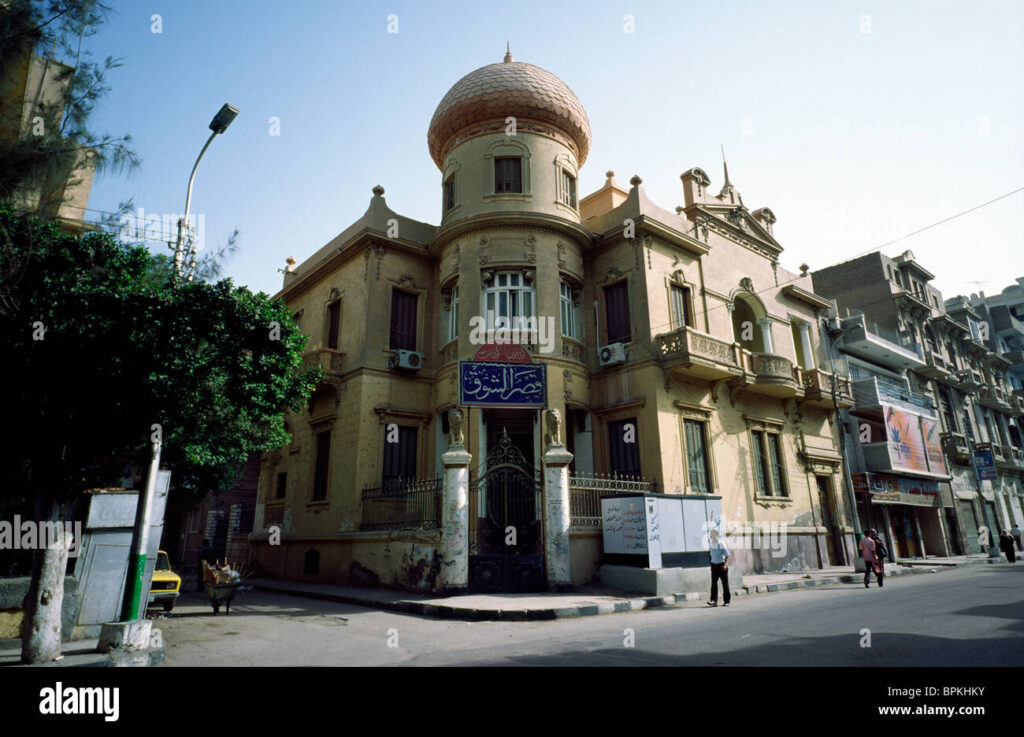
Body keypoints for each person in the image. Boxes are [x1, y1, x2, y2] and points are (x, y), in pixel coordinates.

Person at [707, 528, 731, 607]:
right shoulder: (711, 544)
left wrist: (725, 564)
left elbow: (727, 555)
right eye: (711, 534)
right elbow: (711, 555)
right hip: (714, 565)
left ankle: (726, 601)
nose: (711, 536)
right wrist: (711, 565)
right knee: (713, 584)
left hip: (721, 565)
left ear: (716, 535)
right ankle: (714, 600)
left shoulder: (721, 543)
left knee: (725, 584)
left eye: (712, 534)